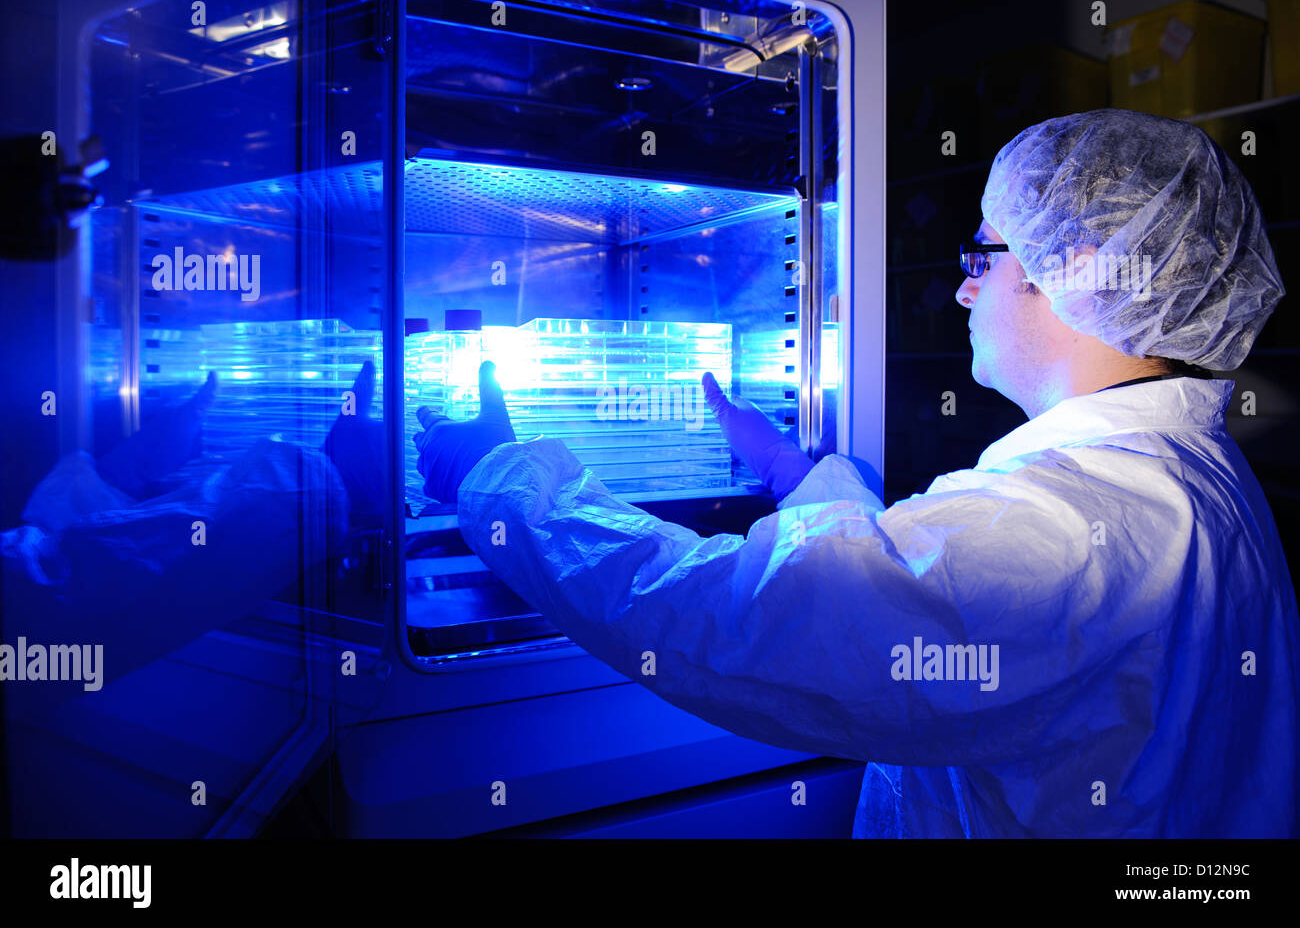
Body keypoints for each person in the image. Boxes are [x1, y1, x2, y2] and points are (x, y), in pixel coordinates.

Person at [413, 109, 1299, 837]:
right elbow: (910, 587)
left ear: (1071, 272)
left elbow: (733, 618)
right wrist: (796, 472)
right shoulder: (1191, 478)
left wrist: (498, 476)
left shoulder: (1068, 525)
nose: (961, 289)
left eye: (981, 256)